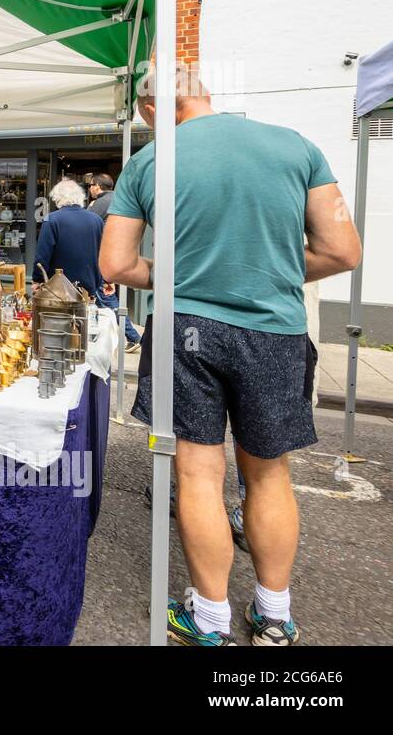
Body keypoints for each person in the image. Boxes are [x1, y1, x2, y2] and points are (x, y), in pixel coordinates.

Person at [100, 83, 360, 647]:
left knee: (197, 474)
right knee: (268, 473)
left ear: (151, 109)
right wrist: (273, 275)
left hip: (186, 328)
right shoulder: (296, 146)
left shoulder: (148, 161)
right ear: (205, 93)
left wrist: (182, 278)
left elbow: (114, 264)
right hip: (276, 331)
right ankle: (273, 616)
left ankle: (210, 618)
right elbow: (344, 251)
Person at [86, 173, 142, 349]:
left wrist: (89, 208)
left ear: (97, 186)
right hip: (116, 257)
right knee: (101, 299)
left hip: (100, 259)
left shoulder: (100, 203)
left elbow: (86, 225)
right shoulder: (119, 199)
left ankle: (134, 337)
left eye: (91, 185)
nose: (89, 189)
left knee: (106, 300)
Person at [33, 179, 104, 296]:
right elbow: (103, 253)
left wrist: (38, 279)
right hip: (90, 285)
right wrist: (106, 280)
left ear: (58, 198)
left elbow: (43, 254)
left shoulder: (51, 219)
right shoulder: (97, 220)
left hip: (58, 289)